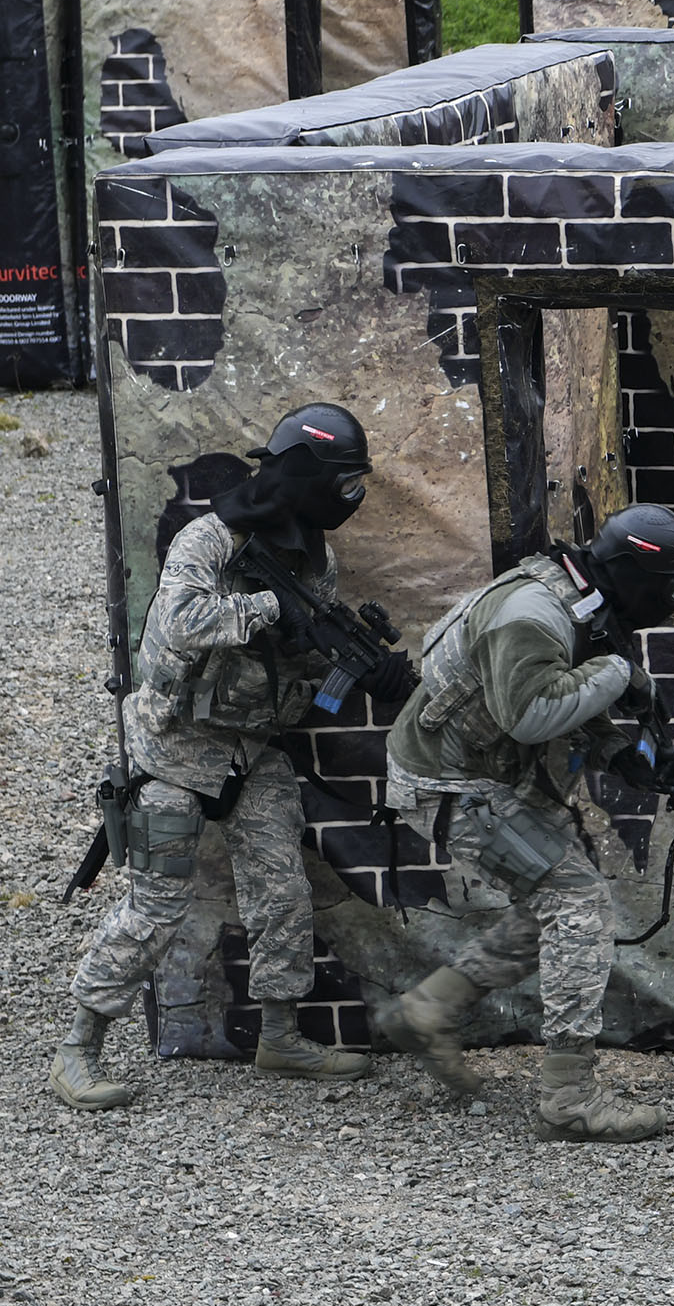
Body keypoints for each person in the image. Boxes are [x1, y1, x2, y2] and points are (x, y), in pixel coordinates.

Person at [52, 406, 408, 1111]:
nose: (347, 496)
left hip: (251, 750)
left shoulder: (314, 555)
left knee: (283, 893)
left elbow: (308, 654)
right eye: (338, 480)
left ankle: (279, 1036)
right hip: (175, 748)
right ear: (304, 474)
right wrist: (271, 609)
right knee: (156, 904)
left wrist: (359, 671)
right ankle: (77, 1049)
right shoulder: (209, 540)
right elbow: (178, 624)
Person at [372, 504, 674, 1142]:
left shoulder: (580, 598)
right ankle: (570, 1097)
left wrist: (620, 754)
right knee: (576, 898)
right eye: (669, 588)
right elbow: (528, 715)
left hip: (481, 776)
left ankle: (427, 1011)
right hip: (448, 785)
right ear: (633, 573)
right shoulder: (535, 612)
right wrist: (619, 674)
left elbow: (555, 692)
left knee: (549, 904)